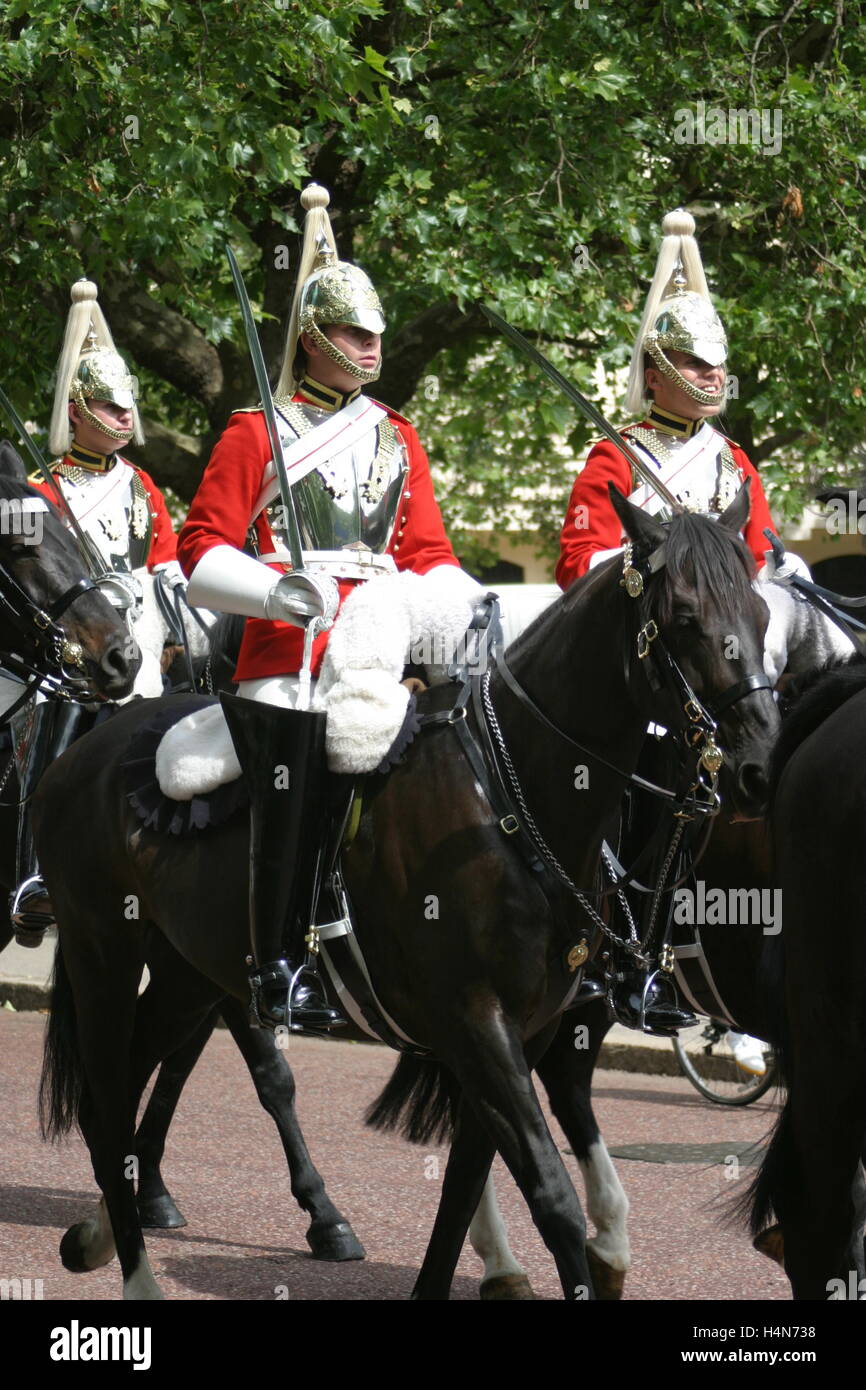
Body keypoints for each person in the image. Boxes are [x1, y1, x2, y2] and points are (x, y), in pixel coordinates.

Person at [178, 183, 476, 1032]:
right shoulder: (254, 429)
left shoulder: (397, 436)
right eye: (353, 330)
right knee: (295, 761)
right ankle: (279, 960)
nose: (370, 345)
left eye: (377, 332)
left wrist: (470, 606)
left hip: (380, 644)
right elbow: (200, 551)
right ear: (311, 338)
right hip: (288, 644)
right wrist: (276, 589)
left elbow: (428, 555)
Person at [556, 209, 812, 1042]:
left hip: (730, 658)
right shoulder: (616, 457)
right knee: (650, 769)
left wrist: (787, 574)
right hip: (652, 658)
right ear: (657, 370)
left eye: (718, 363)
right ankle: (634, 950)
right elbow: (581, 565)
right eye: (695, 363)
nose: (711, 376)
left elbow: (760, 550)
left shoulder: (733, 463)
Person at [9, 279, 181, 943]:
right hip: (65, 651)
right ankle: (34, 874)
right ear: (76, 411)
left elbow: (166, 563)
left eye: (128, 407)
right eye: (109, 408)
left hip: (135, 640)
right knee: (50, 730)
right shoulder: (38, 489)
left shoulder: (143, 486)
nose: (125, 419)